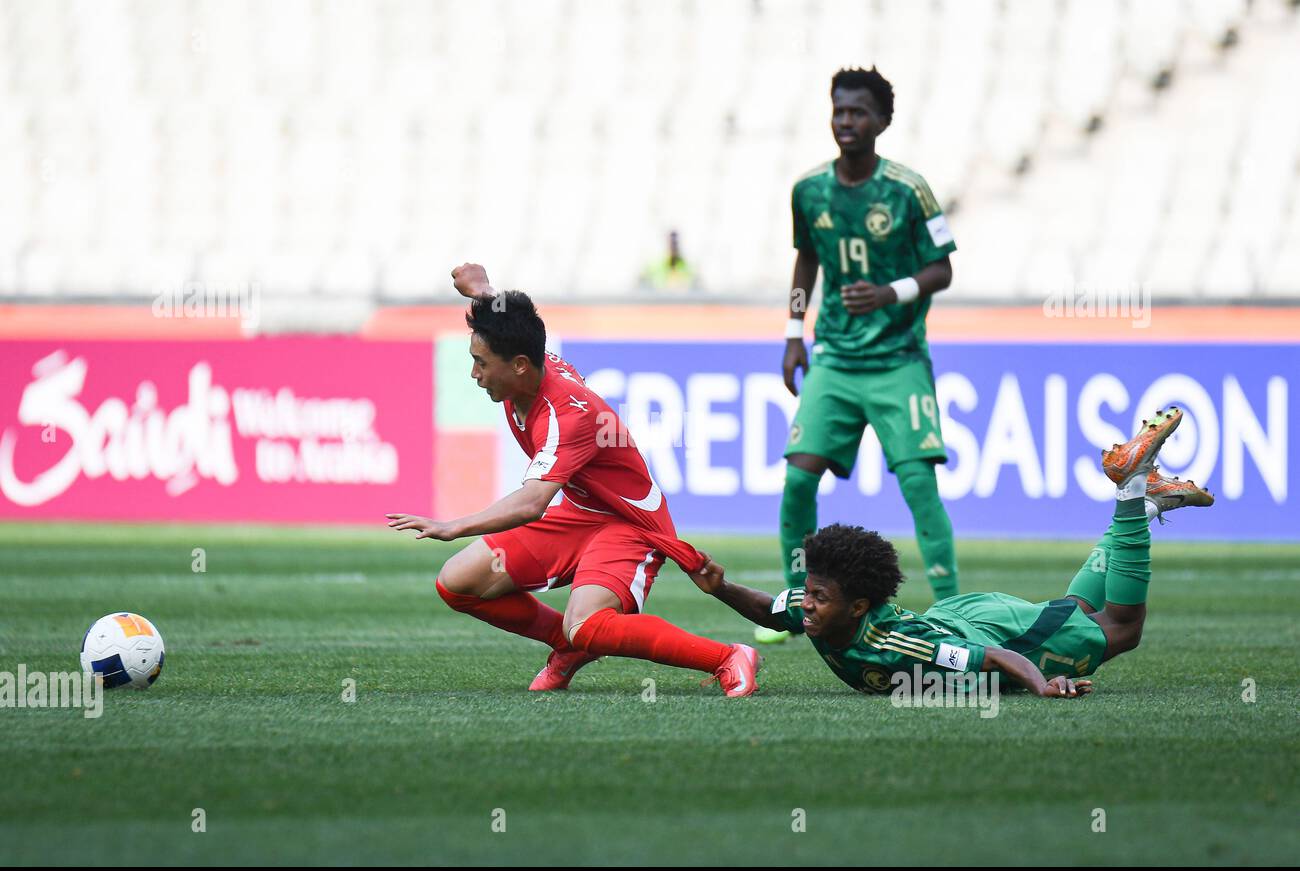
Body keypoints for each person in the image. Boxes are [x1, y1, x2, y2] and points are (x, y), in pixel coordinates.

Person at [386, 263, 760, 696]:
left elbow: (531, 504)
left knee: (587, 623)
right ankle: (567, 646)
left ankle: (727, 656)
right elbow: (513, 319)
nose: (475, 374)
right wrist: (483, 291)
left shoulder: (566, 415)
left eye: (480, 363)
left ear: (521, 365)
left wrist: (454, 526)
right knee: (459, 582)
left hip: (629, 524)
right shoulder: (528, 362)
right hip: (581, 511)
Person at [692, 408, 1214, 697]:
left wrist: (1040, 687)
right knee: (1074, 614)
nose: (805, 604)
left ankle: (1131, 494)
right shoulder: (822, 608)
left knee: (1121, 630)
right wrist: (721, 589)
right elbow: (767, 609)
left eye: (817, 598)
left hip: (979, 634)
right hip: (964, 618)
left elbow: (993, 658)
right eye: (808, 594)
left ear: (856, 607)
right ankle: (1140, 507)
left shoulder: (896, 643)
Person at [765, 66, 959, 644]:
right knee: (799, 482)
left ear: (882, 121)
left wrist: (888, 292)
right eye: (839, 111)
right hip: (835, 361)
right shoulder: (809, 190)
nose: (846, 121)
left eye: (857, 112)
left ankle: (954, 607)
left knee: (919, 483)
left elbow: (942, 269)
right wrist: (793, 330)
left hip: (898, 359)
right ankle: (796, 602)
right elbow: (806, 261)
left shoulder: (908, 189)